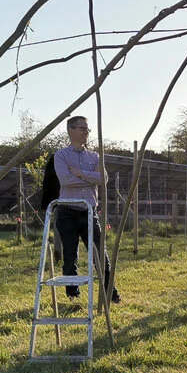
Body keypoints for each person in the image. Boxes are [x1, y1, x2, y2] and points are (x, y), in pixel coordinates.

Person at [53, 115, 120, 304]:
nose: (86, 132)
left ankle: (111, 294)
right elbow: (65, 180)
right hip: (67, 212)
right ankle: (73, 296)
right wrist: (90, 178)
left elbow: (103, 179)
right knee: (70, 255)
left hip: (89, 212)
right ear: (71, 130)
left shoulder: (95, 156)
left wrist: (80, 173)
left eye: (87, 129)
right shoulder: (61, 156)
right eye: (82, 128)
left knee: (100, 253)